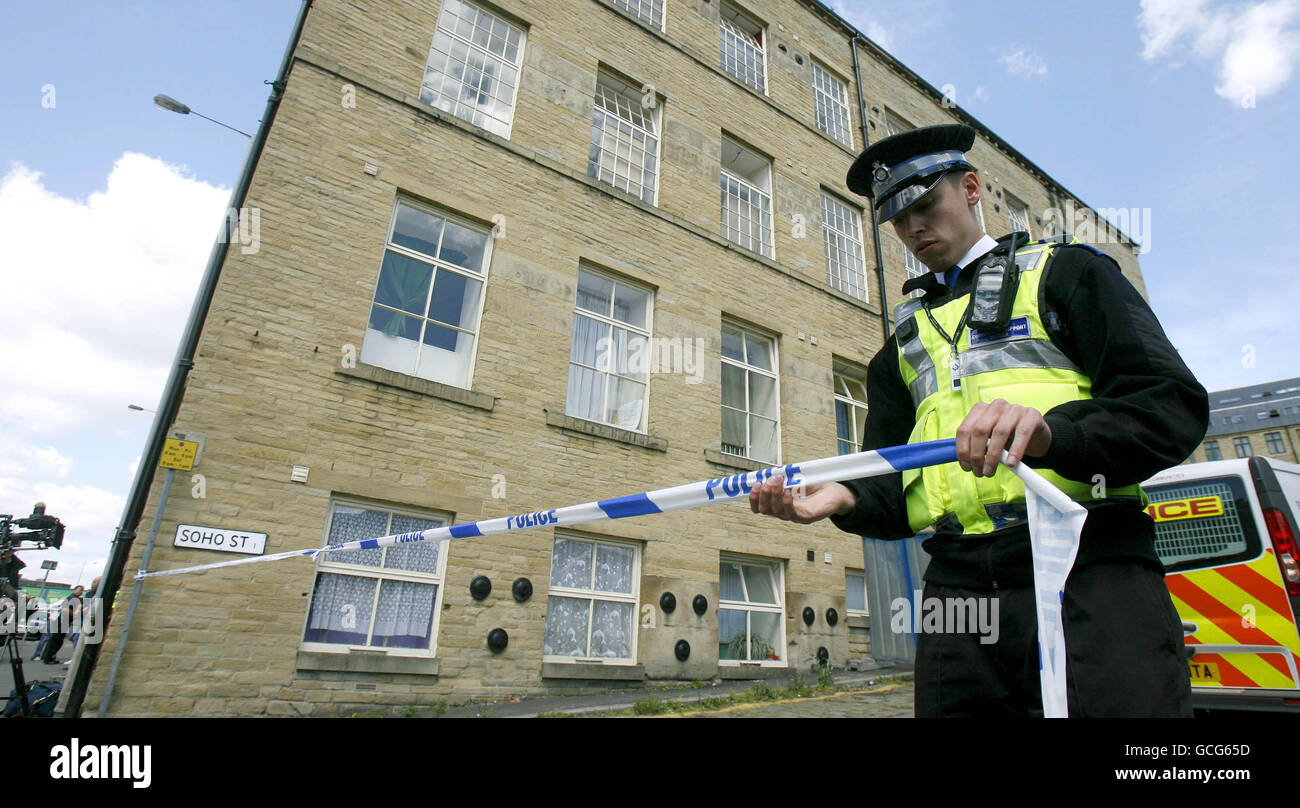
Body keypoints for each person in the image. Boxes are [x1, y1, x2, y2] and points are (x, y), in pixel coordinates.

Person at [750, 124, 1208, 717]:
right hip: (958, 591)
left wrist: (1051, 433)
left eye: (924, 204)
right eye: (897, 217)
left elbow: (1170, 405)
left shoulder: (1066, 274)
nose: (913, 228)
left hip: (1087, 565)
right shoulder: (900, 348)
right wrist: (844, 498)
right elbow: (893, 489)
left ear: (970, 188)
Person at [39, 585, 82, 664]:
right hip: (61, 623)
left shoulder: (75, 599)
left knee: (55, 640)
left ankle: (47, 657)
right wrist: (75, 614)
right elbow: (64, 610)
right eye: (79, 590)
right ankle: (48, 658)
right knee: (56, 641)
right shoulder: (71, 598)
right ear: (74, 590)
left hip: (63, 623)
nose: (81, 592)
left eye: (82, 590)